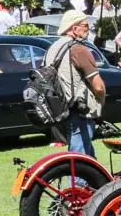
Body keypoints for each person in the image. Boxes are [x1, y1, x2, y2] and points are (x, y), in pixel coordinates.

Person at [44, 11, 105, 156]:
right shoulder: (79, 49)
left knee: (88, 160)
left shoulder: (53, 47)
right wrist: (101, 103)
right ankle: (79, 179)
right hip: (80, 108)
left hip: (60, 107)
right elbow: (98, 86)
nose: (87, 29)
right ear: (74, 28)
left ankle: (96, 178)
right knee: (79, 160)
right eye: (85, 26)